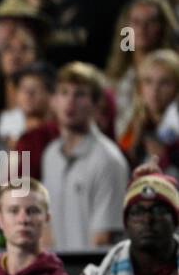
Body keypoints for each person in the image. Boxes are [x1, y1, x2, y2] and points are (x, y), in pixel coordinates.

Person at [41, 62, 132, 249]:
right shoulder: (50, 155)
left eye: (80, 94)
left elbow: (103, 239)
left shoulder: (108, 160)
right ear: (54, 101)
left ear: (97, 104)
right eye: (64, 92)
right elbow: (47, 229)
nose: (70, 101)